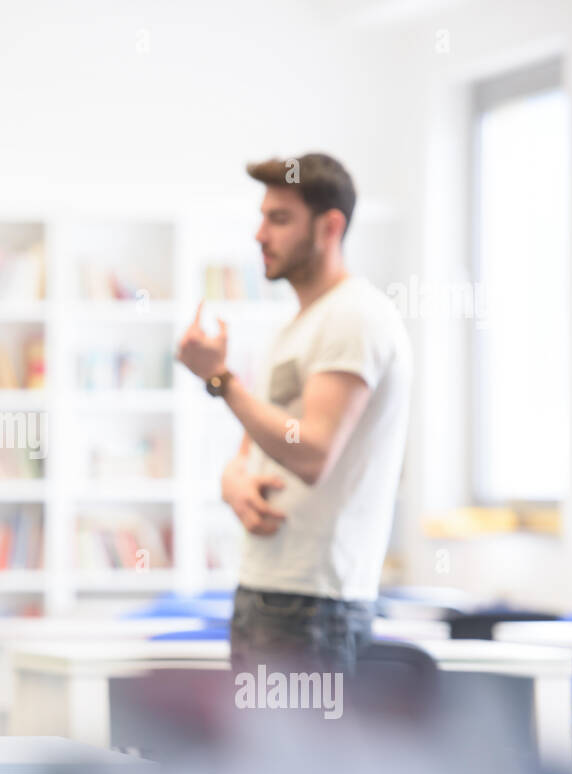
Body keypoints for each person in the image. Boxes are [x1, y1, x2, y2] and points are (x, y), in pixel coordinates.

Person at [176, 153, 412, 673]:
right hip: (269, 589)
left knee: (303, 758)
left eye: (279, 219)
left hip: (315, 602)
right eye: (262, 217)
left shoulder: (356, 315)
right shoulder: (299, 325)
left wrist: (220, 379)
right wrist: (233, 480)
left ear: (330, 227)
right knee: (257, 757)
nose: (260, 234)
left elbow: (311, 453)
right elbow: (255, 447)